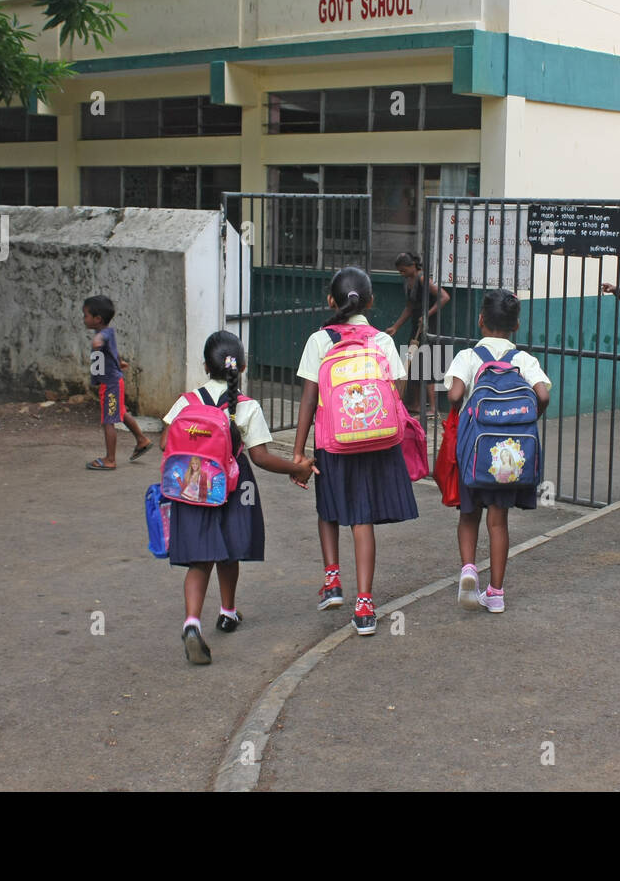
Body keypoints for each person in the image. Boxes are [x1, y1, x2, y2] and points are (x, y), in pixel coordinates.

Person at [162, 331, 316, 665]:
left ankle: (191, 622)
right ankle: (228, 612)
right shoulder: (246, 408)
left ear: (205, 365)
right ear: (243, 366)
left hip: (190, 487)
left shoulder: (186, 402)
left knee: (199, 560)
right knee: (228, 551)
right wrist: (295, 468)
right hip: (231, 488)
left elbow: (165, 444)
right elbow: (260, 457)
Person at [293, 266, 419, 635]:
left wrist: (299, 453)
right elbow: (397, 386)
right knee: (361, 517)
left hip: (331, 441)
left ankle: (332, 580)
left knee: (328, 507)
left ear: (331, 301)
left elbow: (308, 398)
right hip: (374, 437)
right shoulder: (381, 340)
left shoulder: (320, 340)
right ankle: (364, 605)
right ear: (371, 301)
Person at [444, 289, 551, 614]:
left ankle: (468, 570)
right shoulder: (524, 360)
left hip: (472, 452)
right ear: (516, 324)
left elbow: (454, 395)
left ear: (480, 321)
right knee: (498, 522)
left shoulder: (468, 357)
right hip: (508, 454)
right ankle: (496, 593)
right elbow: (543, 395)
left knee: (468, 515)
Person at [82, 295, 153, 470]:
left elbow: (102, 342)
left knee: (108, 420)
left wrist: (97, 343)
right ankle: (142, 440)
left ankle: (110, 459)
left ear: (97, 319)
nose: (84, 319)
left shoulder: (102, 335)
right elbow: (111, 350)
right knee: (120, 413)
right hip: (113, 381)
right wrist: (118, 362)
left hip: (111, 385)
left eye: (86, 315)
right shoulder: (108, 332)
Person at [385, 253, 449, 418]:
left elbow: (444, 297)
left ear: (413, 266)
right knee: (412, 362)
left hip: (429, 327)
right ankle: (414, 404)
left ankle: (433, 408)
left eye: (404, 270)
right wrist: (396, 327)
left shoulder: (423, 279)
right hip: (416, 328)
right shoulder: (408, 282)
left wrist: (428, 314)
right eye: (400, 271)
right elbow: (409, 307)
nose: (402, 274)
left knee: (428, 364)